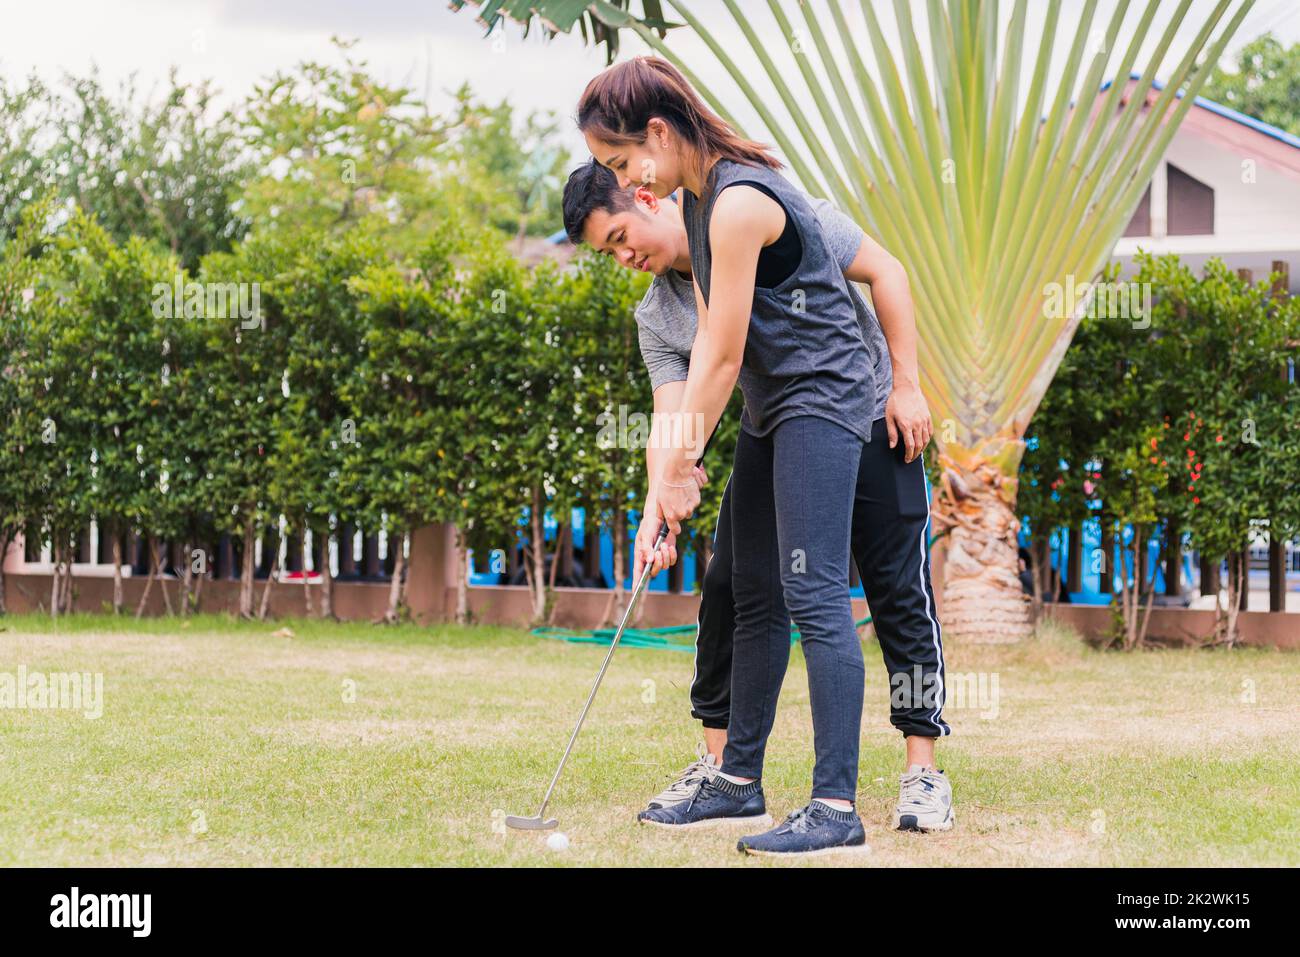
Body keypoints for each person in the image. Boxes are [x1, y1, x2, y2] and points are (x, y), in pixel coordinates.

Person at [577, 56, 944, 855]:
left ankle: (836, 807)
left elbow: (719, 357)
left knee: (814, 593)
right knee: (748, 585)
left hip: (825, 394)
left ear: (662, 133)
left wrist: (679, 467)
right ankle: (739, 781)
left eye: (624, 160)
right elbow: (705, 341)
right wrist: (667, 475)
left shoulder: (740, 202)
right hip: (776, 407)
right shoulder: (705, 202)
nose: (631, 181)